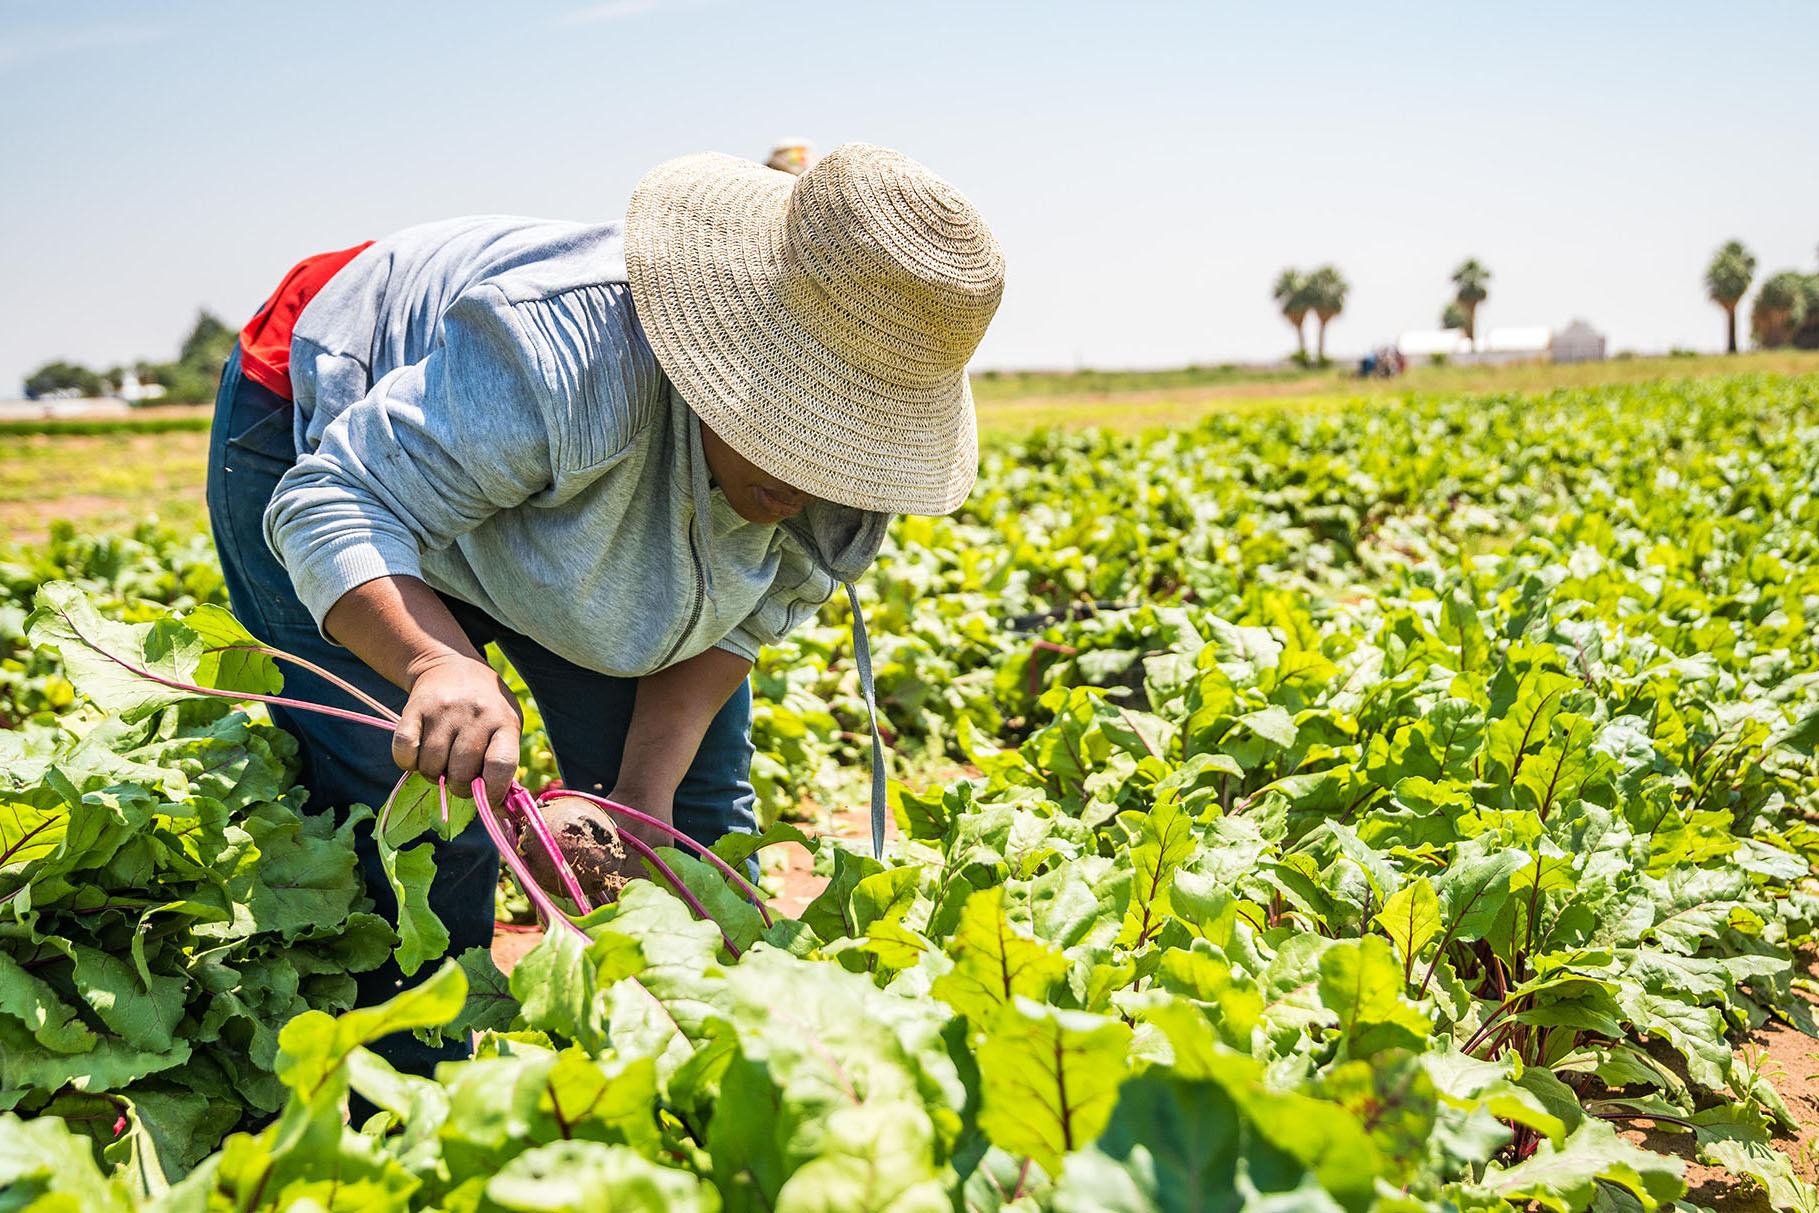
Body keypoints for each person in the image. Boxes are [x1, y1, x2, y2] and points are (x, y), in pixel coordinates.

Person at [206, 142, 1004, 1075]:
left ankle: (701, 1080)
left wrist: (640, 795)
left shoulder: (853, 478)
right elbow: (336, 501)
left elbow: (740, 621)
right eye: (794, 430)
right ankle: (417, 1105)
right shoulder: (570, 354)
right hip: (338, 407)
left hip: (545, 474)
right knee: (424, 818)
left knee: (686, 832)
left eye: (840, 444)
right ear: (725, 364)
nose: (809, 477)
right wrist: (438, 664)